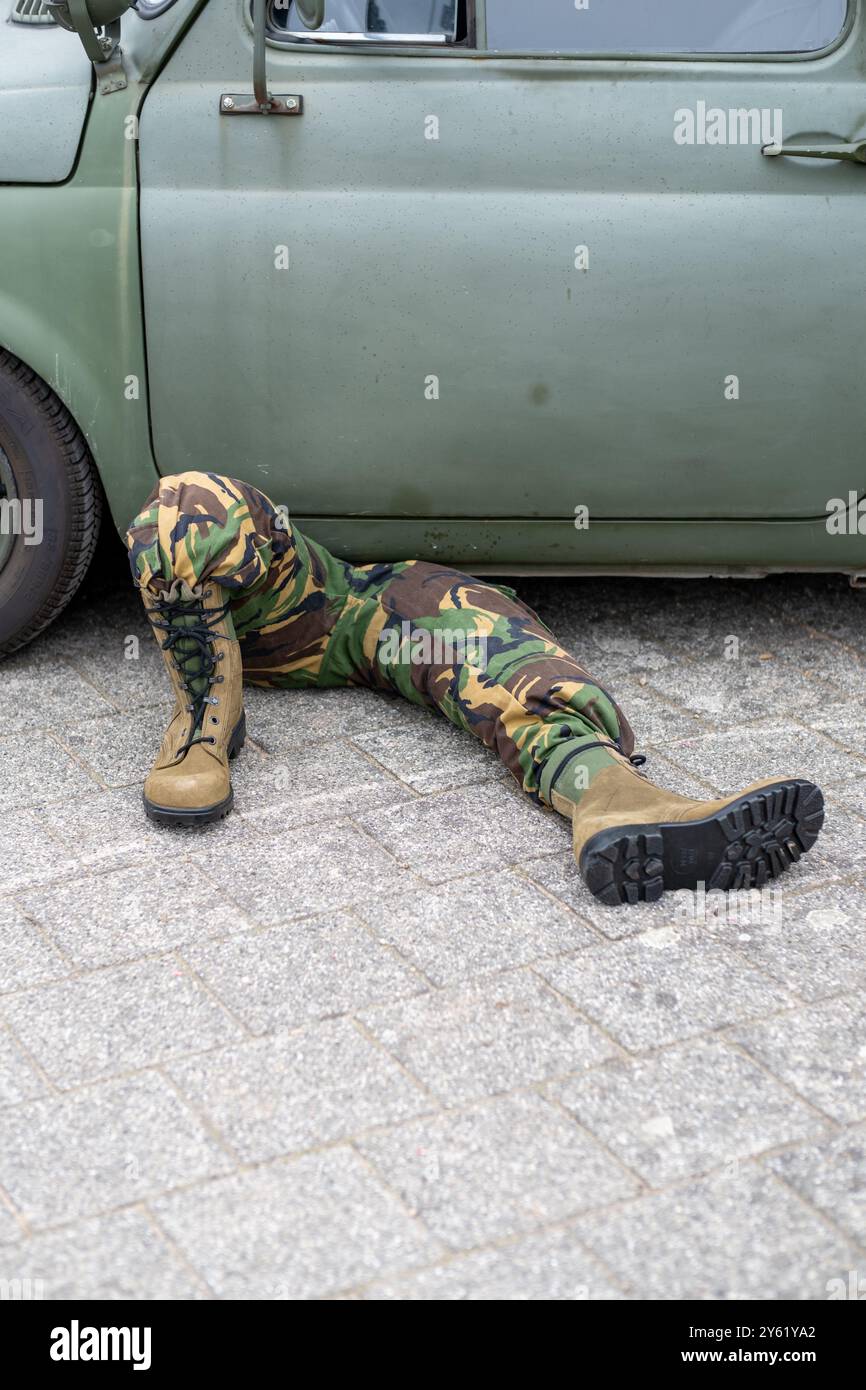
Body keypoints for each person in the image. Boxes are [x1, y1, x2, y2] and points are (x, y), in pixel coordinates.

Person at [126, 471, 824, 906]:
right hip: (284, 588)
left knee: (474, 635)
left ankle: (611, 797)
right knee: (193, 502)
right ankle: (206, 716)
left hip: (352, 607)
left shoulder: (384, 604)